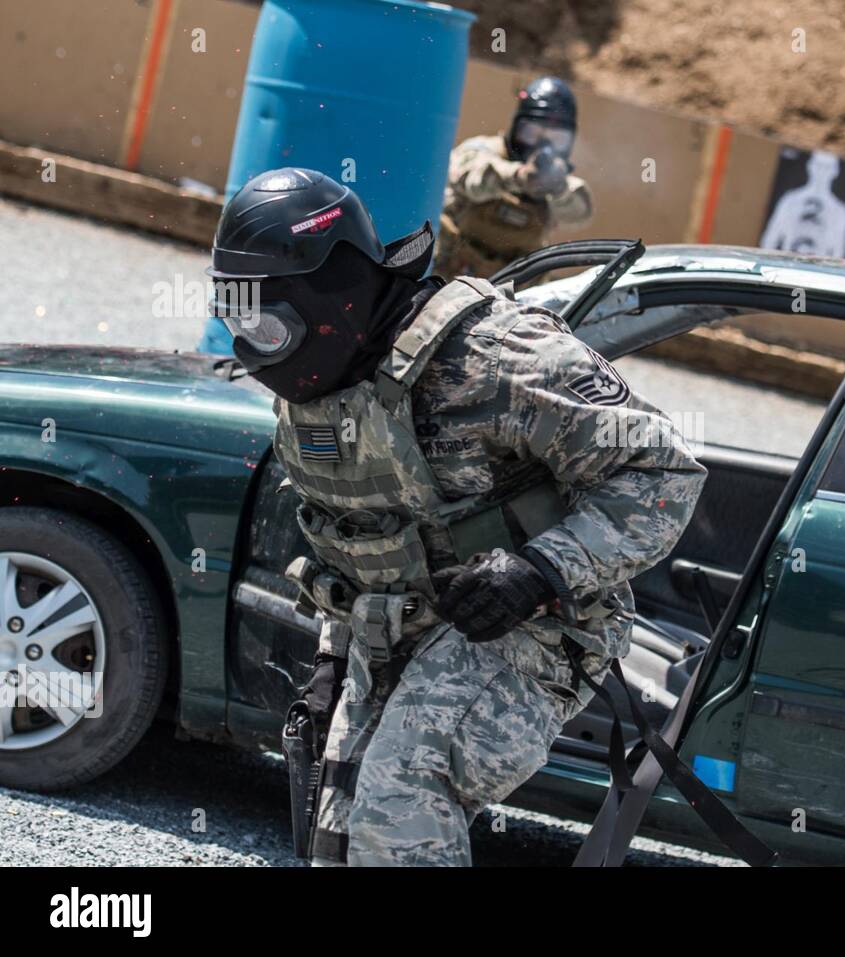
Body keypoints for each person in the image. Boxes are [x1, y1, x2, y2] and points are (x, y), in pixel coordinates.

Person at [208, 167, 704, 866]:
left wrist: (540, 570)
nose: (251, 347)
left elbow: (662, 473)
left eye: (264, 322)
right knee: (336, 837)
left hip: (537, 626)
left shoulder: (495, 355)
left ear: (336, 294)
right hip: (393, 629)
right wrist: (329, 662)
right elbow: (350, 537)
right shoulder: (324, 379)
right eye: (236, 319)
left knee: (398, 797)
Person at [434, 76, 593, 278]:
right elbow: (471, 176)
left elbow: (579, 213)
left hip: (510, 295)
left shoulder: (556, 181)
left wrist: (558, 189)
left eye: (556, 139)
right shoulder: (483, 150)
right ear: (517, 127)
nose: (542, 144)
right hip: (448, 280)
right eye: (532, 132)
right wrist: (517, 176)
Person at [759, 150, 845, 258]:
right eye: (818, 165)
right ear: (810, 166)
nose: (821, 171)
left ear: (835, 171)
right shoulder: (790, 200)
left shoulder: (840, 211)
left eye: (827, 167)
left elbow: (839, 251)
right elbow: (770, 238)